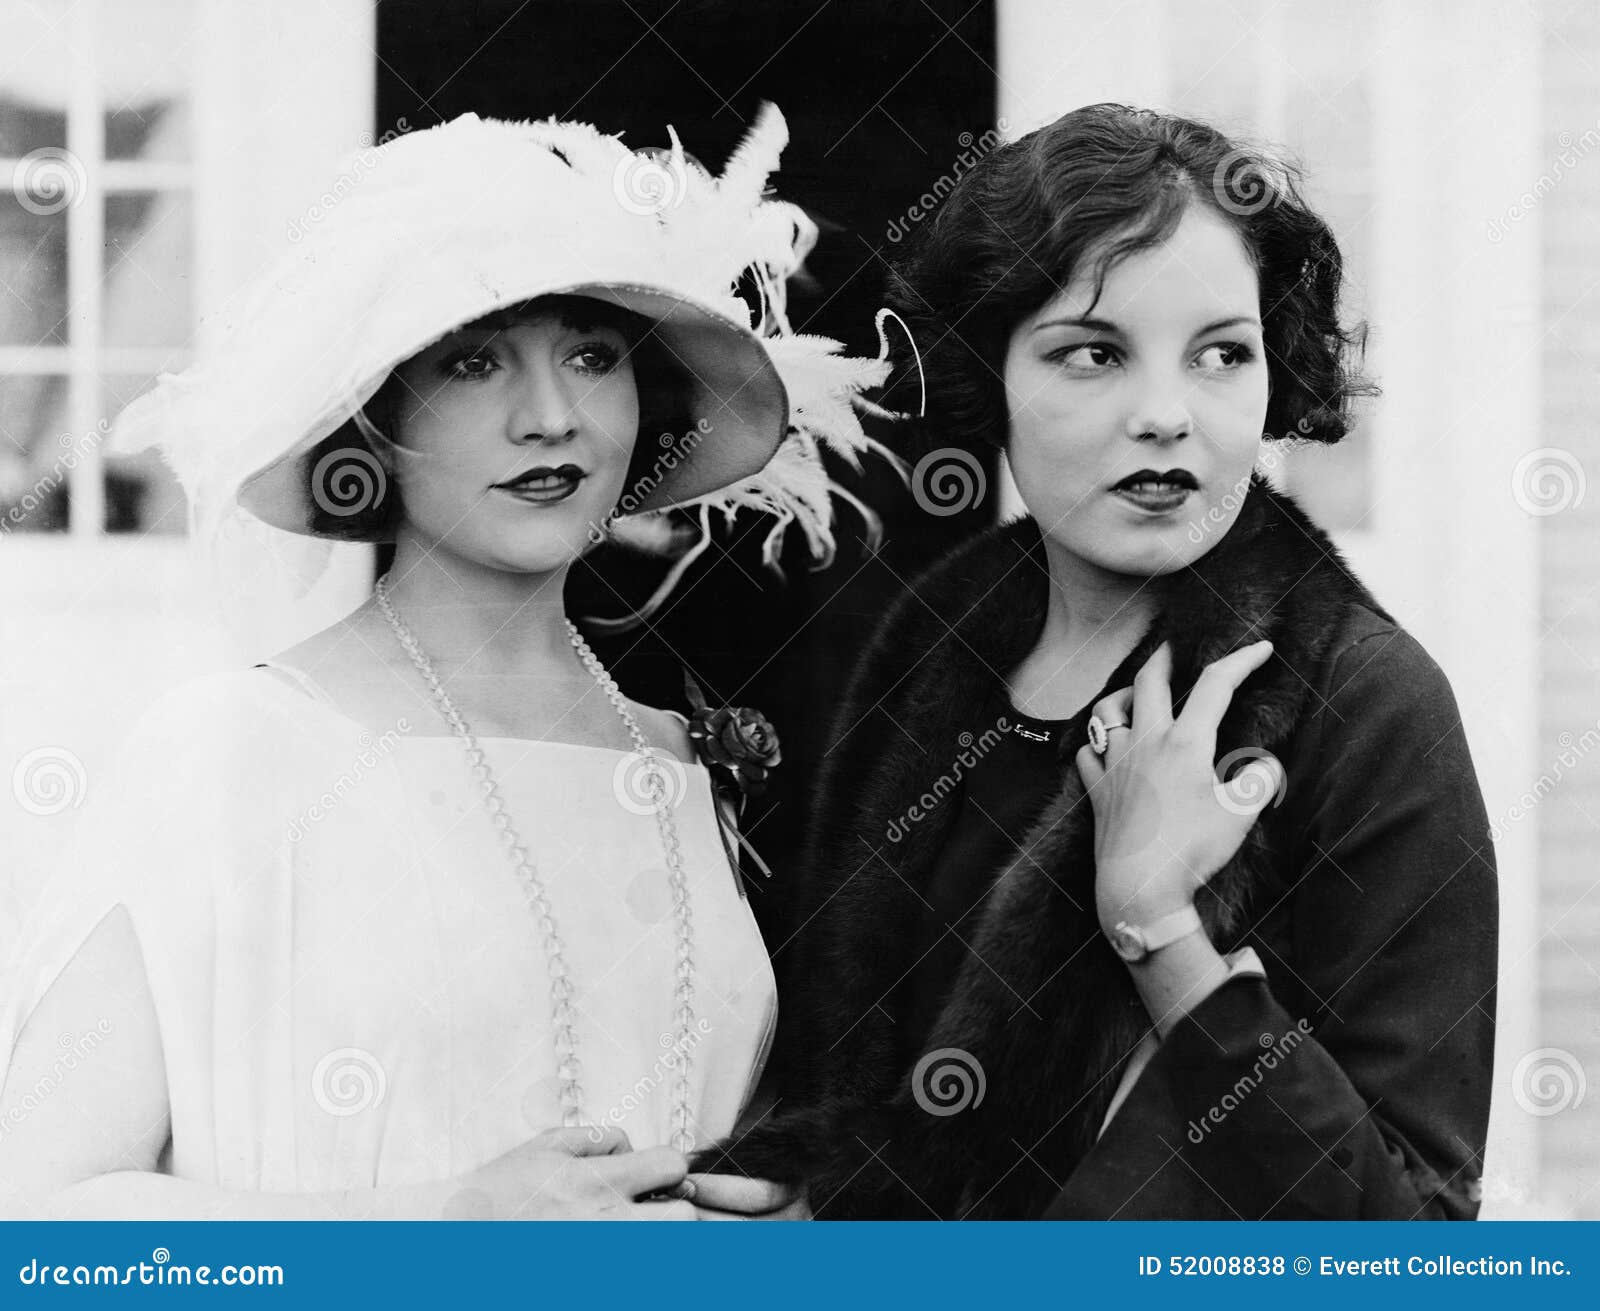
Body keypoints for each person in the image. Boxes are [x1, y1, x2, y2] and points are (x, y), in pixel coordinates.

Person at [0, 106, 886, 1221]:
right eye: (475, 363)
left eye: (591, 355)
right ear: (374, 424)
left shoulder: (672, 763)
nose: (551, 416)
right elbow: (36, 1221)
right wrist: (446, 1219)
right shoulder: (235, 751)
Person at [696, 103, 1498, 1220]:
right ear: (990, 374)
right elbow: (867, 1107)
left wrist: (1159, 930)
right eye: (1093, 354)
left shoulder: (1362, 704)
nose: (1166, 416)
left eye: (1222, 353)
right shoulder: (934, 641)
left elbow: (1413, 1247)